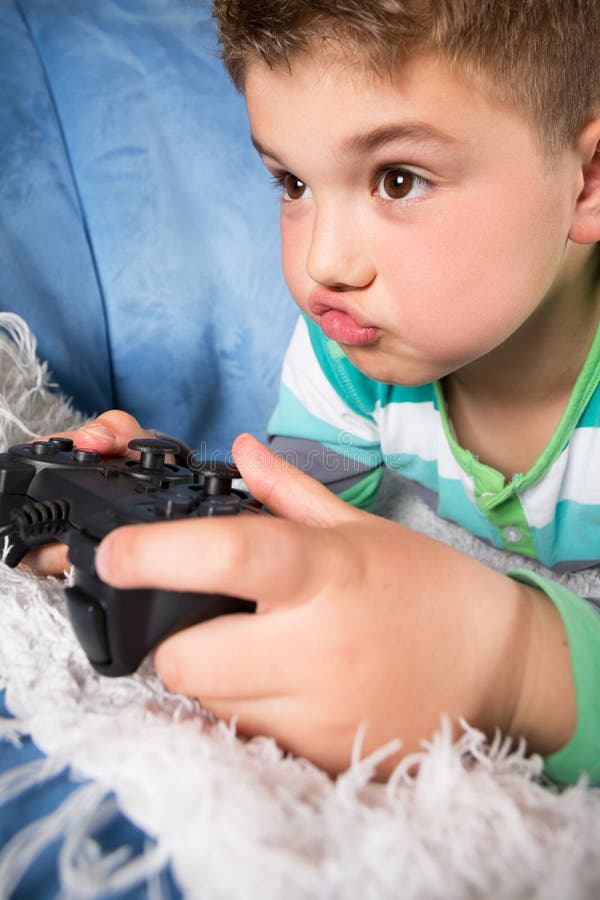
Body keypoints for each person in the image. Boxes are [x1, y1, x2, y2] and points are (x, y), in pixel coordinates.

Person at [33, 0, 600, 784]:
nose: (323, 264)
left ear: (587, 181)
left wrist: (517, 666)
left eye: (398, 179)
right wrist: (168, 508)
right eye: (293, 182)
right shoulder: (352, 354)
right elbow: (316, 539)